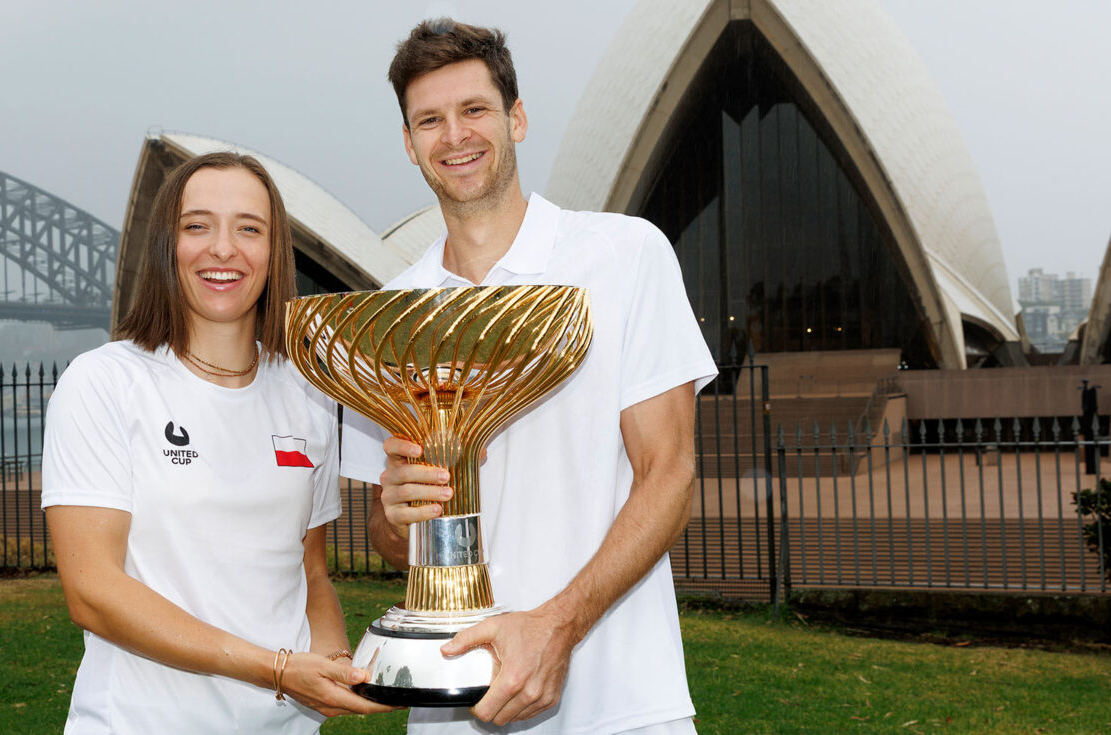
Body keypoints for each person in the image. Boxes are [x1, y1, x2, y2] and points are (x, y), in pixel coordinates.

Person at [341, 20, 718, 735]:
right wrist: (397, 513)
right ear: (409, 142)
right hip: (455, 708)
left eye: (475, 110)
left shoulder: (623, 255)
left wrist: (557, 626)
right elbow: (388, 542)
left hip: (622, 702)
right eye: (430, 119)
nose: (455, 135)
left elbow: (669, 474)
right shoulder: (390, 317)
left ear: (516, 117)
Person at [43, 151, 392, 733]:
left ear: (274, 253)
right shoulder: (105, 382)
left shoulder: (308, 391)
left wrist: (331, 663)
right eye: (197, 226)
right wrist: (275, 670)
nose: (223, 249)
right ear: (166, 245)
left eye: (248, 229)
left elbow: (310, 573)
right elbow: (93, 592)